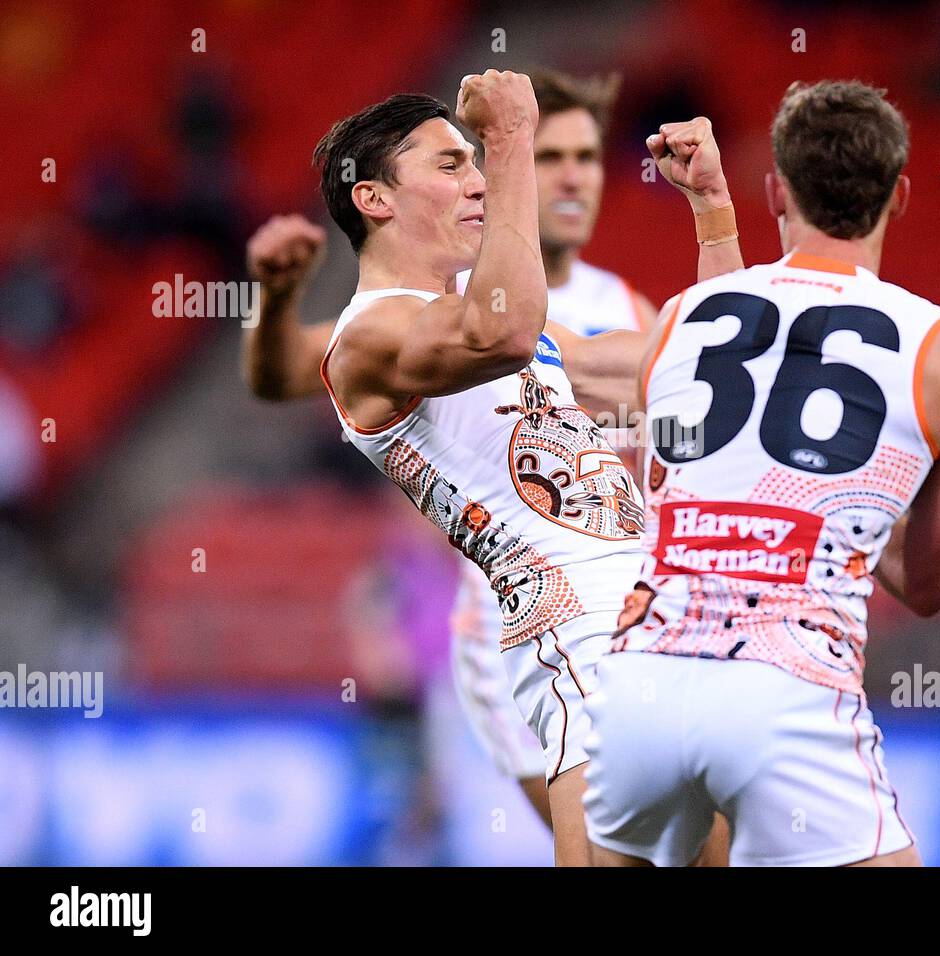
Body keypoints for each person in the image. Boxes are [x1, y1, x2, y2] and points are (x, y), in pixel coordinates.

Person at [245, 71, 741, 865]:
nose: (478, 179)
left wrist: (712, 212)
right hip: (573, 628)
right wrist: (511, 137)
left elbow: (705, 373)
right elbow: (499, 334)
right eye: (451, 165)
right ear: (374, 199)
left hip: (664, 616)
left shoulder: (517, 328)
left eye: (477, 161)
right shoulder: (365, 340)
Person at [578, 80, 940, 867]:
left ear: (775, 189)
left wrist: (711, 212)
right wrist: (852, 505)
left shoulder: (677, 320)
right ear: (900, 195)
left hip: (641, 680)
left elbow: (684, 471)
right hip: (789, 688)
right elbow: (931, 585)